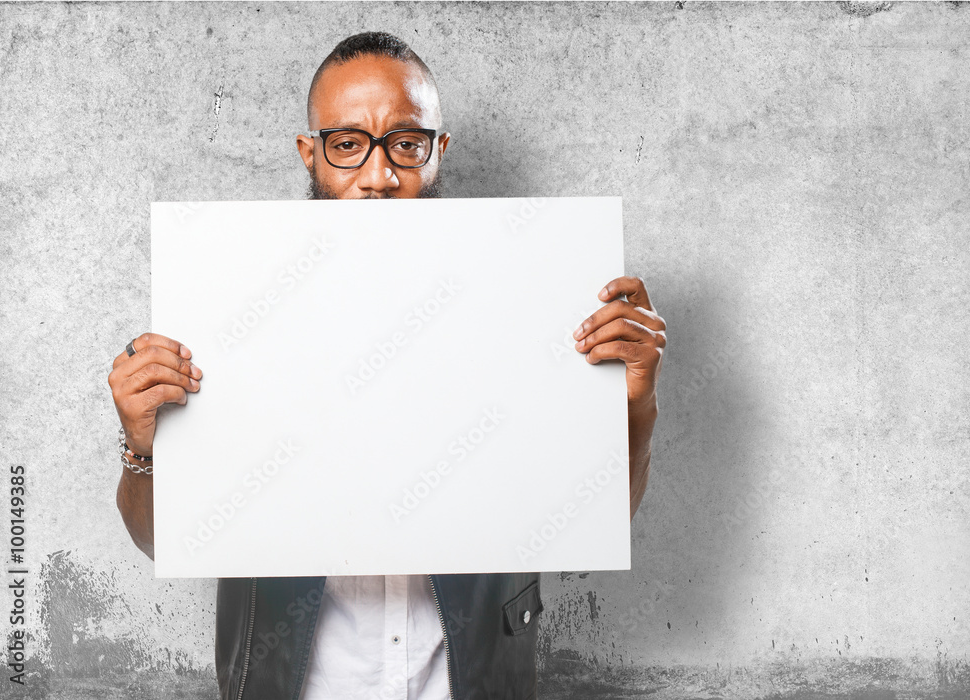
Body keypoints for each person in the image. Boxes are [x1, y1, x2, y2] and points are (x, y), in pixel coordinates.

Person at [109, 31, 667, 700]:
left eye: (406, 144)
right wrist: (143, 448)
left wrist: (633, 404)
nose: (378, 176)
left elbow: (598, 516)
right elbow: (157, 541)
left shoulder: (523, 296)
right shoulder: (235, 304)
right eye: (348, 145)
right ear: (309, 154)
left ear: (439, 152)